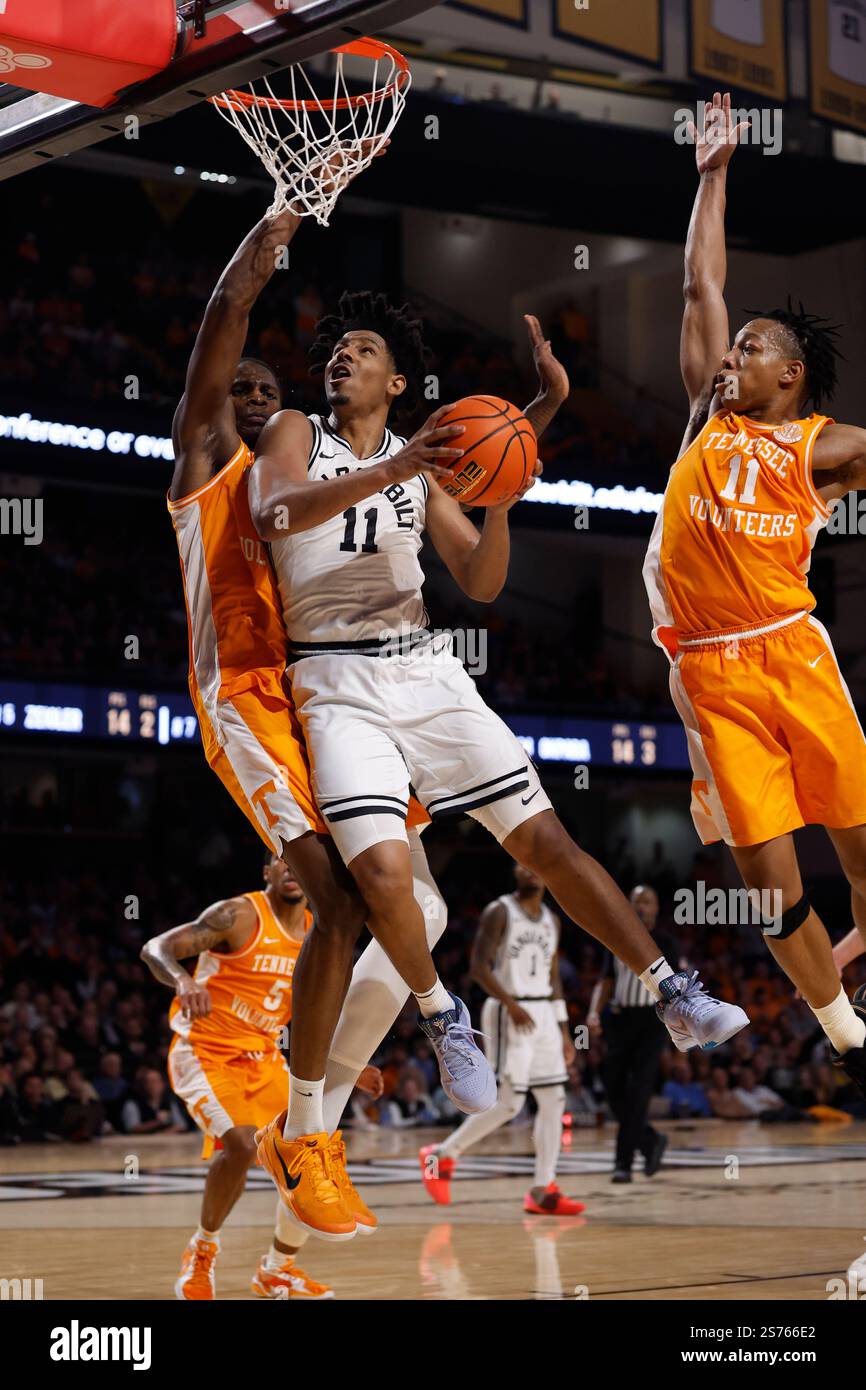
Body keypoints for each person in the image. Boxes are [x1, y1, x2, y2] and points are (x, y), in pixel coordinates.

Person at [249, 286, 748, 1235]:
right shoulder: (291, 433)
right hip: (333, 680)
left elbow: (479, 574)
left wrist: (528, 446)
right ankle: (441, 1017)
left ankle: (676, 991)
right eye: (337, 352)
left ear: (398, 381)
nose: (340, 360)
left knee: (551, 841)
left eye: (361, 351)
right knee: (383, 872)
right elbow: (276, 516)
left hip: (427, 670)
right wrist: (402, 462)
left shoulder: (427, 462)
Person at [168, 188, 484, 1243]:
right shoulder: (212, 463)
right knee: (342, 903)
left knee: (421, 913)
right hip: (248, 699)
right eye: (244, 392)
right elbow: (221, 336)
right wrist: (265, 246)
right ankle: (311, 1133)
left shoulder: (323, 476)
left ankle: (328, 1105)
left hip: (324, 695)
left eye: (273, 391)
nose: (260, 403)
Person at [642, 90, 866, 1097]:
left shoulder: (824, 450)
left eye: (751, 349)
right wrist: (712, 175)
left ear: (792, 374)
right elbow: (700, 286)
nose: (732, 356)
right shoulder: (706, 414)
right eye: (732, 348)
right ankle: (843, 1032)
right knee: (768, 888)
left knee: (858, 847)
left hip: (792, 653)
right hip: (709, 671)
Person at [142, 852, 379, 1299]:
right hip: (205, 1052)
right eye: (280, 860)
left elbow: (305, 1019)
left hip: (265, 1058)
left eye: (297, 861)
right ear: (266, 872)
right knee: (237, 1144)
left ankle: (276, 1270)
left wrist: (348, 1065)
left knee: (308, 1153)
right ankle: (202, 1252)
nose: (290, 867)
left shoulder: (318, 933)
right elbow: (155, 948)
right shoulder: (236, 915)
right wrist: (183, 982)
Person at [419, 864, 583, 1216]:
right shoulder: (500, 911)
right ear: (514, 869)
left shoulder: (552, 921)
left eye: (538, 862)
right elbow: (478, 967)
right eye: (524, 861)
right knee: (509, 1102)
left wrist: (565, 1030)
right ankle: (443, 1154)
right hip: (511, 1011)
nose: (532, 868)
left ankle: (543, 1188)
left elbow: (554, 979)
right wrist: (511, 1004)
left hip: (543, 1014)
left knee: (554, 1098)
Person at [588, 885, 679, 1181]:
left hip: (652, 1021)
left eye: (647, 901)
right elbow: (606, 980)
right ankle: (649, 1140)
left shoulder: (667, 942)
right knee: (612, 1087)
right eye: (636, 901)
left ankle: (623, 1163)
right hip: (620, 1017)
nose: (641, 906)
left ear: (656, 908)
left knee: (639, 1091)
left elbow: (679, 989)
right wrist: (593, 1012)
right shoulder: (615, 935)